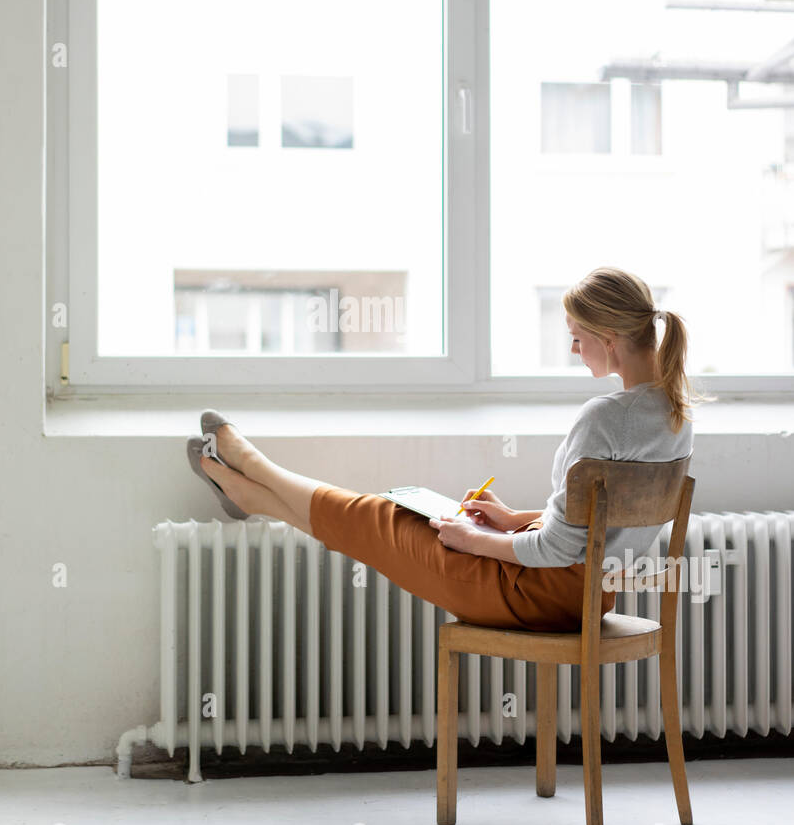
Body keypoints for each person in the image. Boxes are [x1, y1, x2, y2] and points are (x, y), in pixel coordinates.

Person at [186, 267, 709, 633]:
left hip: (536, 595)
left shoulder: (604, 417)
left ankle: (251, 467)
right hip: (587, 598)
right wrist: (509, 520)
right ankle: (250, 494)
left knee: (384, 515)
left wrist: (475, 542)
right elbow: (600, 527)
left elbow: (558, 550)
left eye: (577, 337)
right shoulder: (676, 415)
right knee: (396, 518)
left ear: (610, 336)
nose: (574, 350)